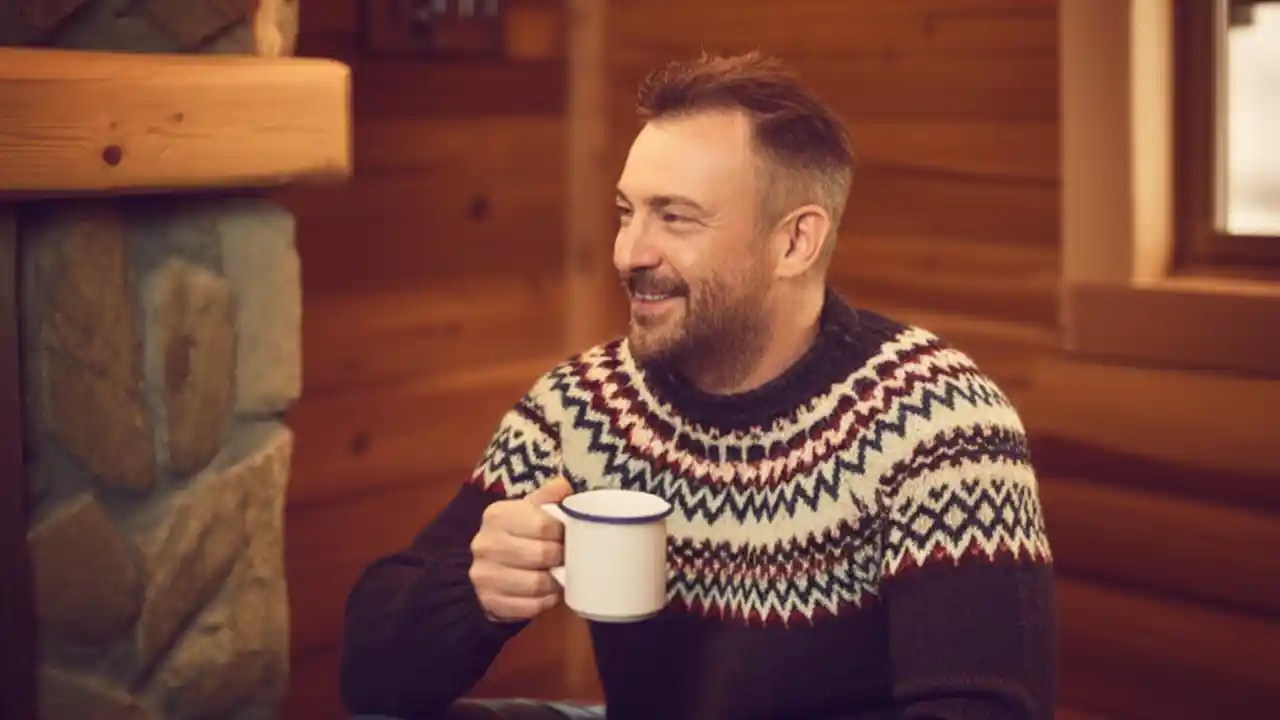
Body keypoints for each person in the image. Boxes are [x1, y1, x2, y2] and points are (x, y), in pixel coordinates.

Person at [340, 51, 1057, 720]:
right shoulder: (583, 406)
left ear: (794, 242)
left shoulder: (939, 421)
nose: (629, 253)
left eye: (674, 217)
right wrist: (473, 594)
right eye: (627, 211)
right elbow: (369, 676)